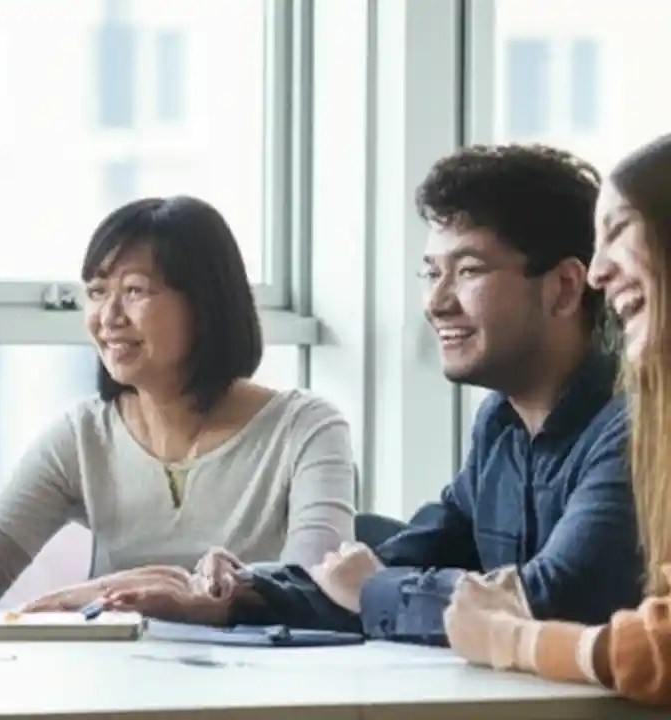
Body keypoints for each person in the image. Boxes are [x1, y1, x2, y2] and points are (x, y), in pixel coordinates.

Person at [99, 145, 644, 638]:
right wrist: (241, 595)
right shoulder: (500, 423)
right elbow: (411, 553)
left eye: (468, 270)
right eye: (431, 274)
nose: (437, 302)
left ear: (566, 287)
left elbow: (553, 600)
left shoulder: (635, 424)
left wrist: (371, 591)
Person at [0, 195, 357, 628]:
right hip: (115, 691)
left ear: (205, 305)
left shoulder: (306, 428)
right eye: (97, 291)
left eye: (134, 291)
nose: (108, 316)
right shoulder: (83, 436)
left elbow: (315, 586)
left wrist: (199, 596)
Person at [444, 134, 671, 706]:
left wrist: (511, 638)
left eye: (618, 230)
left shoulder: (626, 422)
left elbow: (657, 648)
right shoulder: (497, 423)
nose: (598, 273)